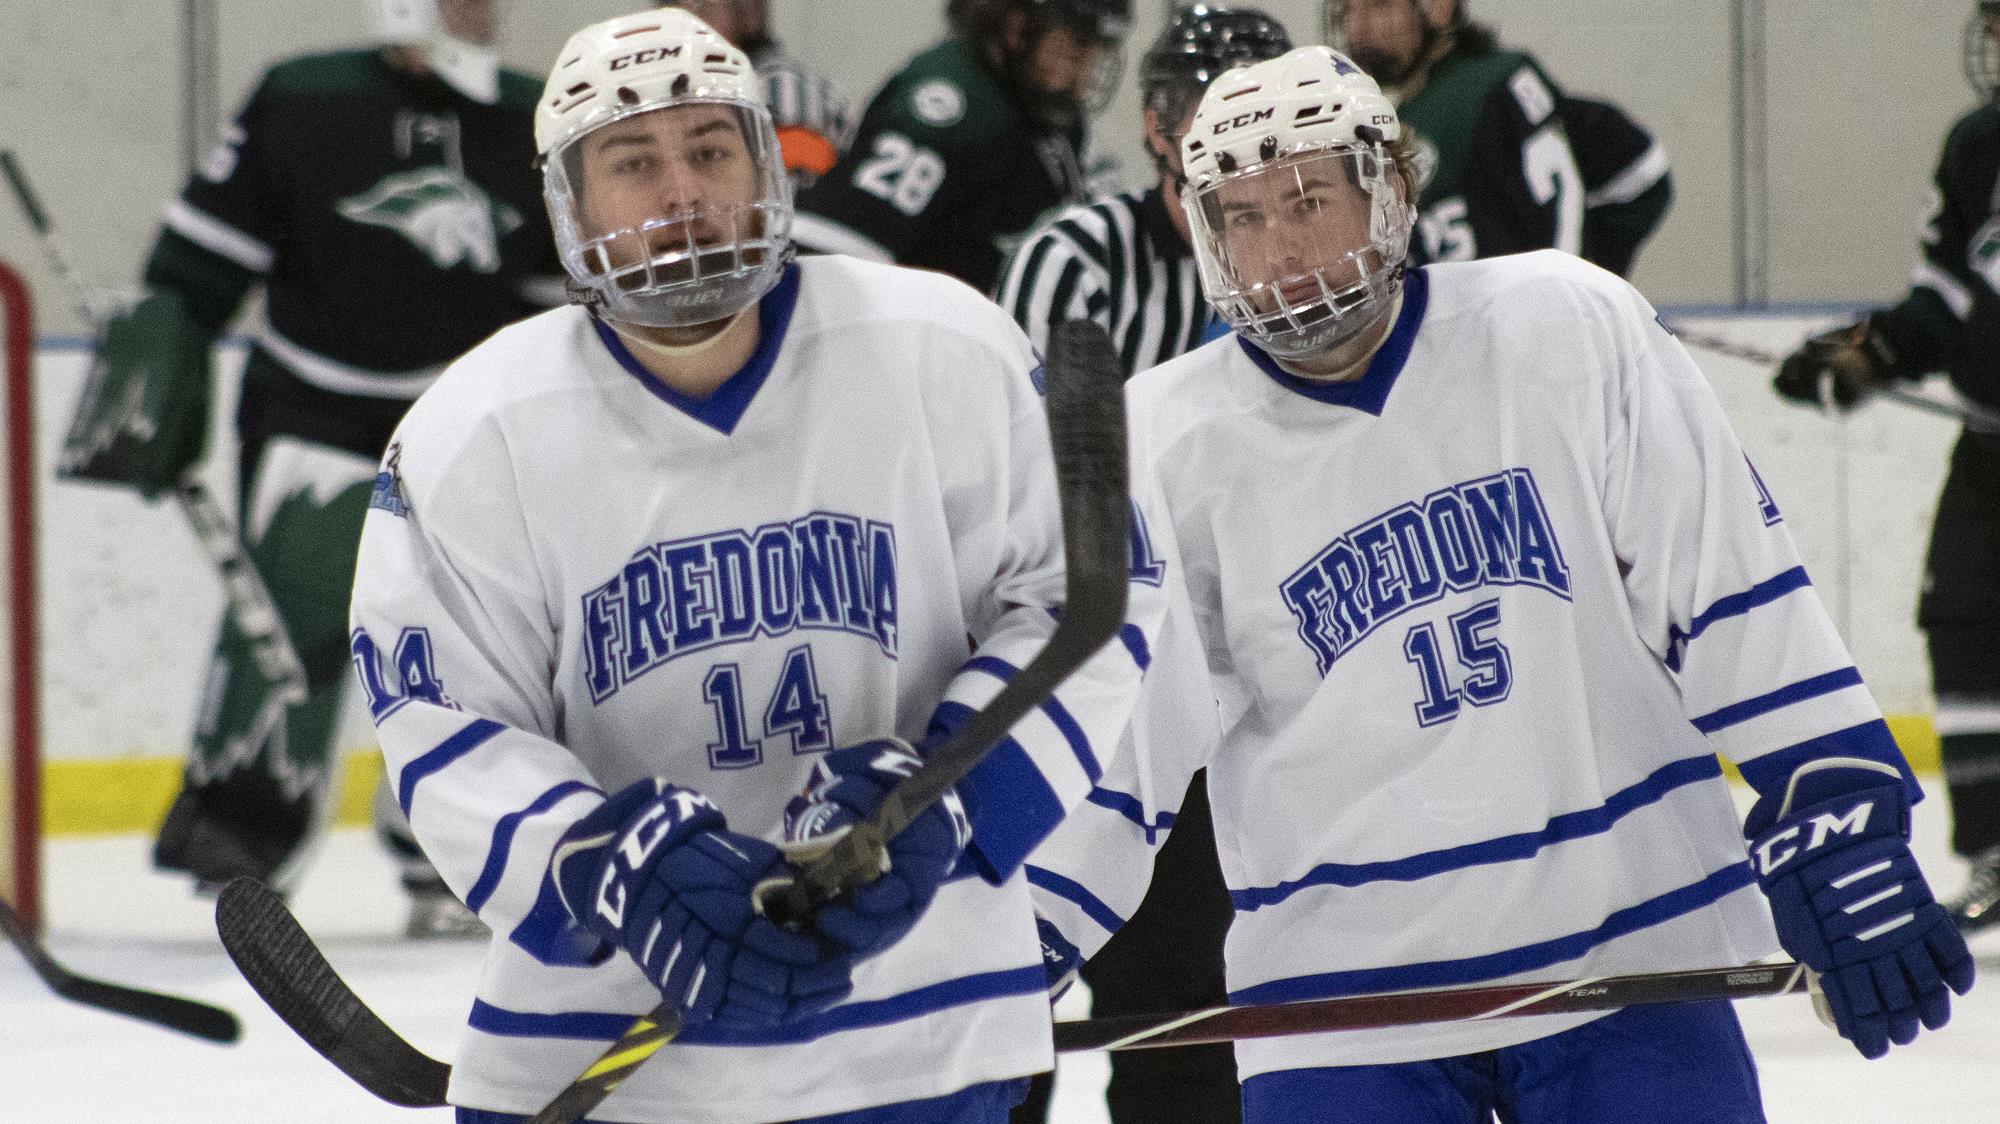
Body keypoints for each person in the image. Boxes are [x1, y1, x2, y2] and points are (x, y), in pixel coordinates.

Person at [1028, 45, 1975, 1121]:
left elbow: (1725, 587)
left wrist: (1830, 792)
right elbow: (1115, 741)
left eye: (1305, 201)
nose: (1277, 251)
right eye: (1238, 217)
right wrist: (1008, 941)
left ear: (1386, 186)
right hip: (1338, 1004)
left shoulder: (1565, 328)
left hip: (1627, 945)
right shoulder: (1164, 436)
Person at [346, 9, 1170, 1121]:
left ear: (766, 165)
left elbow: (1088, 595)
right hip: (605, 1059)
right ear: (568, 204)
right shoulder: (472, 430)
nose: (681, 190)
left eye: (710, 150)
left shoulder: (942, 345)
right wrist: (615, 863)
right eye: (633, 164)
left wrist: (950, 801)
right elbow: (443, 723)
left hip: (927, 1040)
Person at [56, 0, 562, 937]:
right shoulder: (303, 98)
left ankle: (450, 853)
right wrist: (155, 371)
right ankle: (240, 839)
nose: (485, 12)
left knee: (476, 639)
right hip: (313, 403)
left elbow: (554, 303)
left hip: (466, 422)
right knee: (294, 621)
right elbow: (199, 262)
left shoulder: (529, 117)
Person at [996, 8, 1290, 1123]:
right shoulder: (1076, 258)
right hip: (1082, 696)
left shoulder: (1308, 262)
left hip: (1230, 701)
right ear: (1159, 127)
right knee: (1008, 1011)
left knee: (1186, 1030)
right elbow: (1033, 501)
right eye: (1201, 108)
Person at [1773, 0, 2000, 940]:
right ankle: (1995, 851)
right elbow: (1947, 297)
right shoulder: (1979, 145)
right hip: (1990, 448)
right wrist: (1871, 358)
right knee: (1963, 617)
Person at [793, 0, 1132, 294]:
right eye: (1072, 50)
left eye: (1094, 55)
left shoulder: (1046, 110)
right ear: (1016, 26)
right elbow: (835, 243)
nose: (1083, 77)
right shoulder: (949, 109)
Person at [1325, 0, 1672, 277]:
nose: (1358, 27)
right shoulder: (1489, 81)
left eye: (1379, 5)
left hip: (1523, 337)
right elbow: (1643, 172)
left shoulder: (1471, 98)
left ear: (1439, 8)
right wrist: (1599, 273)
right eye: (1348, 10)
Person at [655, 0, 853, 190]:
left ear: (751, 9)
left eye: (699, 2)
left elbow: (789, 210)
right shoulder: (684, 93)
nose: (684, 16)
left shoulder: (782, 86)